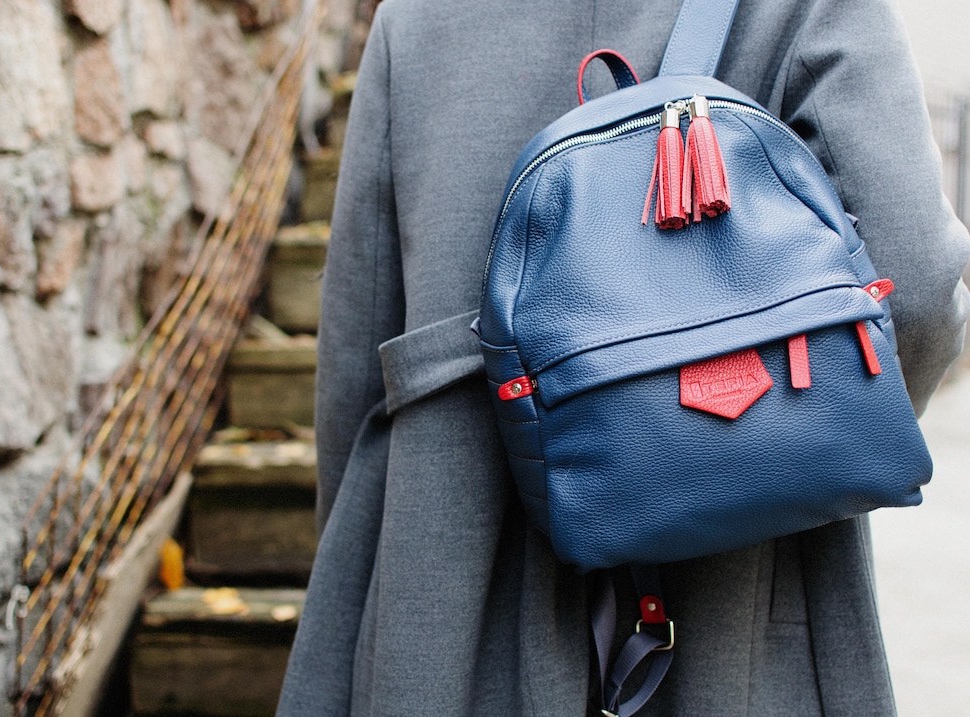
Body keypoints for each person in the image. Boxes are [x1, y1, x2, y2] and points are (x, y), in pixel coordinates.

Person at [277, 0, 970, 714]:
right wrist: (810, 428)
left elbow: (358, 360)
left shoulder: (416, 18)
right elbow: (913, 290)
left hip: (448, 587)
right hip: (746, 606)